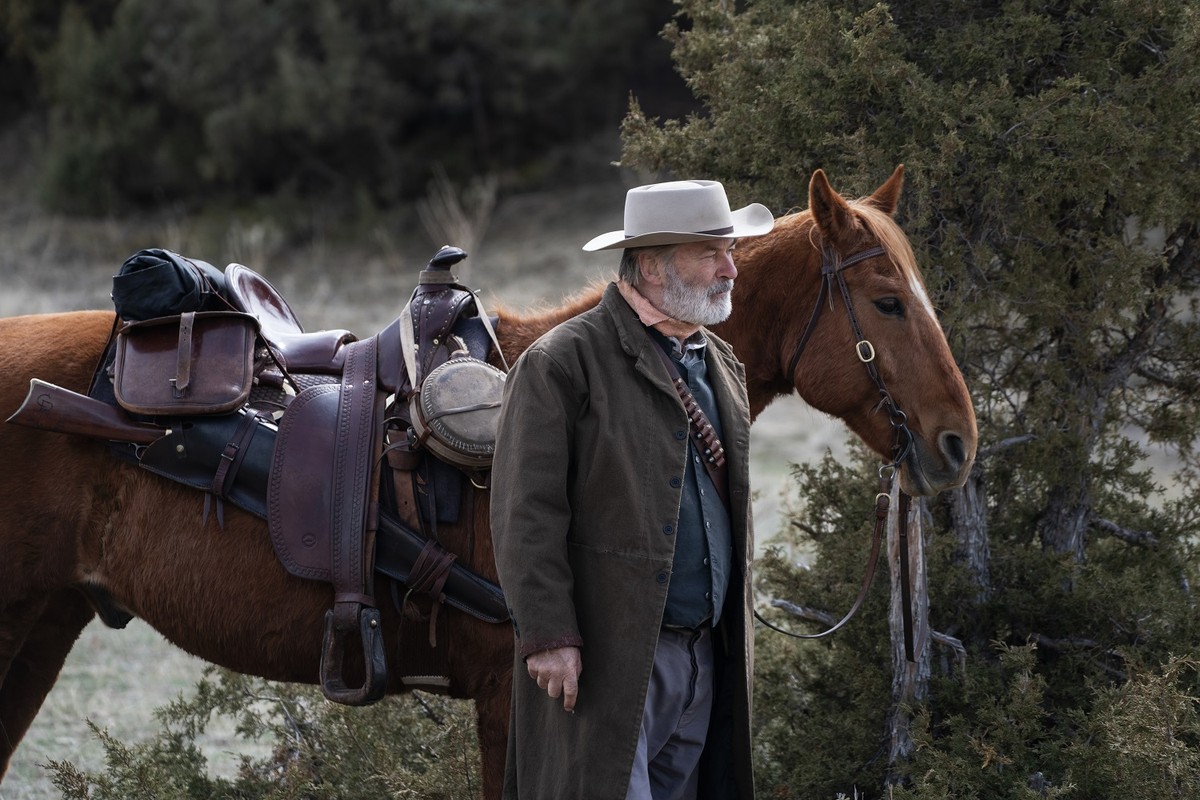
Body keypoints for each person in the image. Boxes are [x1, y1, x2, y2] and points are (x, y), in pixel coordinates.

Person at [490, 179, 774, 800]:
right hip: (609, 661)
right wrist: (549, 636)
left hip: (705, 657)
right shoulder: (560, 363)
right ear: (649, 265)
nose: (730, 269)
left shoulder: (720, 364)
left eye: (729, 251)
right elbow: (525, 514)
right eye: (710, 254)